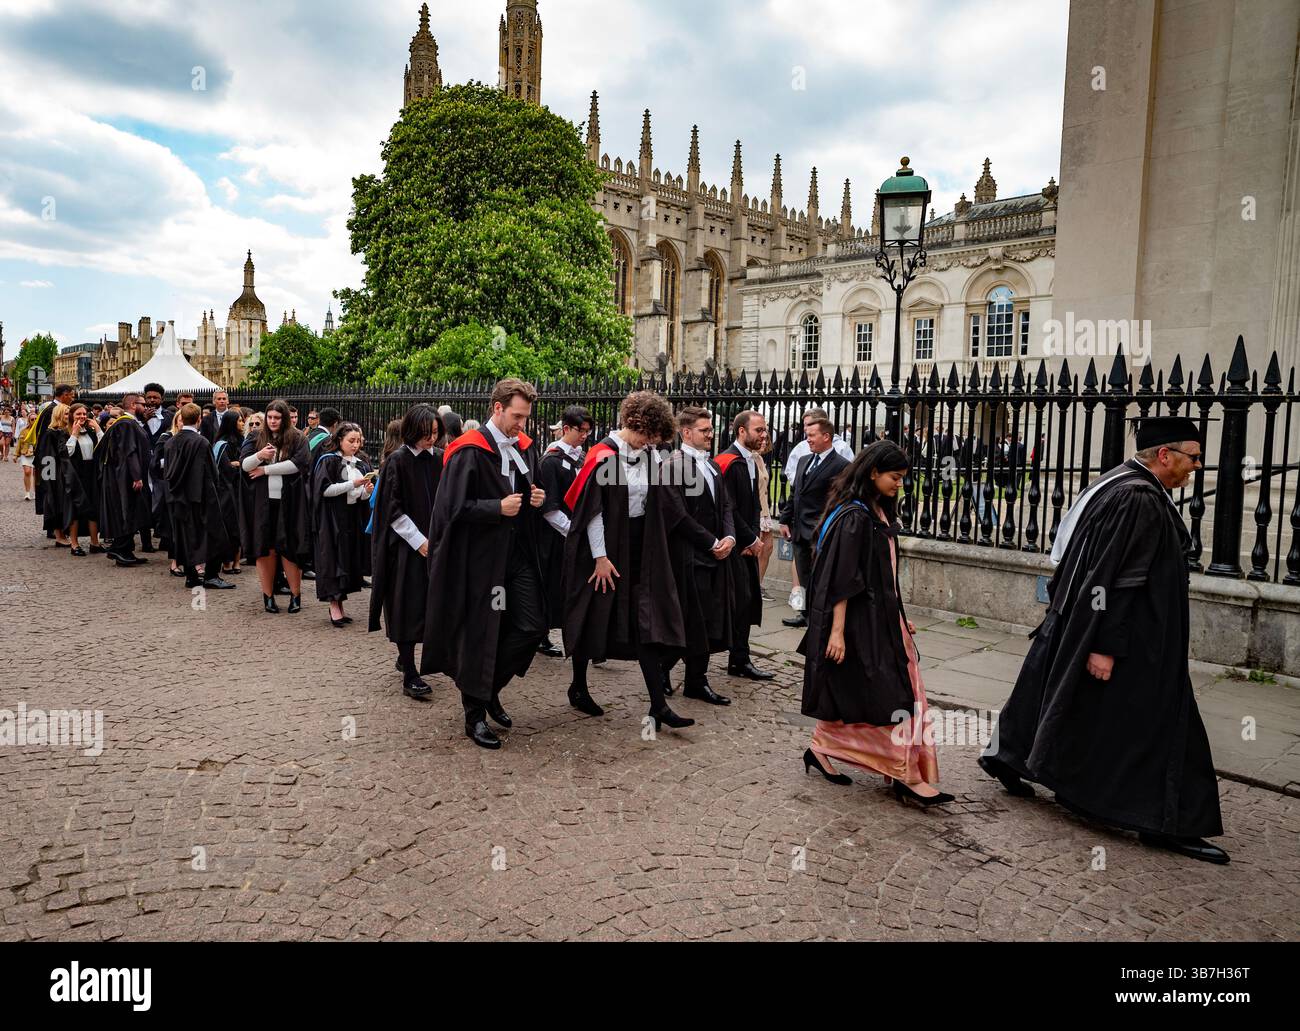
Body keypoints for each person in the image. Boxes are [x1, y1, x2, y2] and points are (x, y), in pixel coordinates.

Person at [980, 415, 1228, 864]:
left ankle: (1012, 757)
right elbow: (1119, 580)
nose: (1196, 468)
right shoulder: (1138, 499)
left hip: (1095, 625)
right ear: (1165, 455)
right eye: (1192, 458)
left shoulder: (1122, 483)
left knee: (1066, 696)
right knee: (1161, 726)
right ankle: (1166, 819)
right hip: (1133, 639)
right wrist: (1105, 645)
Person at [799, 440, 955, 807]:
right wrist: (836, 633)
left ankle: (822, 747)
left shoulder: (874, 510)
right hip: (858, 623)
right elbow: (843, 578)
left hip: (881, 618)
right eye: (895, 477)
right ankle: (905, 772)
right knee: (893, 692)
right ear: (873, 473)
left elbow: (883, 573)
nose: (899, 484)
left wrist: (899, 614)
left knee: (878, 691)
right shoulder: (854, 517)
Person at [422, 380, 547, 750]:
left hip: (517, 556)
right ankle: (474, 714)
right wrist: (495, 508)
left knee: (532, 624)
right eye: (516, 416)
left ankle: (489, 687)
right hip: (481, 564)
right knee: (483, 632)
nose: (521, 424)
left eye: (526, 417)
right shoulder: (468, 451)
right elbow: (450, 510)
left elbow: (524, 496)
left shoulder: (524, 447)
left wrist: (535, 498)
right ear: (497, 408)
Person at [561, 390, 696, 730]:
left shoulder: (648, 453)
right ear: (635, 425)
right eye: (647, 436)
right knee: (592, 614)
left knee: (645, 621)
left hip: (639, 545)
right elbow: (592, 512)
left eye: (654, 439)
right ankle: (578, 685)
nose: (650, 443)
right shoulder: (603, 454)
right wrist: (600, 557)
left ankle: (658, 705)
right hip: (603, 547)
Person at [660, 406, 735, 705]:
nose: (711, 434)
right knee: (690, 620)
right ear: (686, 432)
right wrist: (711, 542)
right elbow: (676, 515)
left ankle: (695, 680)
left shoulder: (714, 466)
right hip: (689, 556)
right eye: (705, 430)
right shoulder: (671, 466)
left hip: (716, 553)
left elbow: (726, 506)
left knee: (708, 618)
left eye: (711, 429)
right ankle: (663, 668)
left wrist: (729, 536)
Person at [370, 406, 443, 695]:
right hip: (406, 546)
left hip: (435, 543)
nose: (431, 440)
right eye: (426, 434)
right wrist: (419, 541)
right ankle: (410, 672)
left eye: (436, 434)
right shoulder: (396, 462)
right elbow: (392, 508)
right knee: (407, 606)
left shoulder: (440, 459)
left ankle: (407, 659)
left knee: (429, 604)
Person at [716, 410, 774, 681]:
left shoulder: (752, 460)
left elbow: (752, 504)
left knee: (746, 602)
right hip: (732, 544)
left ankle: (740, 658)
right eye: (759, 430)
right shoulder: (728, 462)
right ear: (741, 431)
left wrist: (754, 537)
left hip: (747, 542)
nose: (764, 434)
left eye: (764, 430)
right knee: (726, 604)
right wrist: (749, 539)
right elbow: (728, 507)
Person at [779, 414, 851, 629]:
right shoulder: (803, 460)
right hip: (799, 531)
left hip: (821, 533)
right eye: (807, 435)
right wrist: (784, 520)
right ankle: (806, 614)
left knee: (821, 579)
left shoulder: (841, 465)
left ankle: (821, 621)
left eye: (812, 436)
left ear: (826, 437)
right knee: (804, 578)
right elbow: (796, 494)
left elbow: (842, 501)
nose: (807, 439)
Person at [240, 398, 311, 613]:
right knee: (265, 549)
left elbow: (299, 464)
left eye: (277, 418)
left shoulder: (297, 437)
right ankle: (268, 596)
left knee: (289, 548)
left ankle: (295, 595)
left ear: (285, 419)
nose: (272, 421)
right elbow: (244, 465)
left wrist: (266, 469)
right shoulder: (255, 436)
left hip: (290, 501)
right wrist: (260, 456)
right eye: (270, 417)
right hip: (262, 502)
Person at [535, 405, 592, 657]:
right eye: (581, 430)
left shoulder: (582, 456)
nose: (585, 435)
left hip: (577, 532)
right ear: (566, 429)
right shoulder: (550, 460)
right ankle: (541, 634)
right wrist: (574, 532)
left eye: (588, 431)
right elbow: (550, 507)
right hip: (556, 536)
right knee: (551, 585)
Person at [165, 403, 235, 590]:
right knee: (212, 535)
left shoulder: (171, 442)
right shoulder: (201, 442)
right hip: (202, 497)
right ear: (199, 419)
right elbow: (212, 471)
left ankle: (191, 575)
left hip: (178, 498)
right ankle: (211, 575)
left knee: (185, 536)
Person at [313, 422, 374, 627]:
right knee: (333, 558)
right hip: (332, 518)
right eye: (351, 441)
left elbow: (361, 498)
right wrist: (352, 484)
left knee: (347, 560)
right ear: (340, 440)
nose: (355, 445)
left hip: (352, 518)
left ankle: (340, 603)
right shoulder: (328, 461)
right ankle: (333, 604)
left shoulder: (362, 463)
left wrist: (367, 490)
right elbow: (324, 490)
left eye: (358, 441)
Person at [97, 394, 153, 567]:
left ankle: (126, 550)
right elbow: (130, 452)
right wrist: (137, 476)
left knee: (132, 512)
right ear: (134, 405)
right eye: (143, 404)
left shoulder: (127, 423)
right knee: (127, 511)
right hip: (127, 478)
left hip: (126, 476)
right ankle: (119, 549)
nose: (146, 407)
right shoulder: (126, 424)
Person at [63, 403, 102, 555]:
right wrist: (74, 433)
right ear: (72, 415)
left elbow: (104, 445)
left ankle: (95, 543)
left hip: (91, 472)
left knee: (93, 507)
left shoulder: (91, 432)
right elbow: (67, 452)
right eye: (78, 414)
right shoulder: (65, 433)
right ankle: (74, 544)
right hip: (75, 474)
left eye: (84, 414)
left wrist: (98, 428)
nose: (82, 417)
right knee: (76, 509)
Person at [211, 408, 246, 577]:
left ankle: (237, 560)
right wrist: (239, 464)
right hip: (225, 491)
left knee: (239, 526)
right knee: (228, 527)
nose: (242, 423)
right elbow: (225, 468)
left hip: (240, 489)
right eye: (239, 421)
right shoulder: (221, 444)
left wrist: (238, 463)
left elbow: (243, 464)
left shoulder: (243, 441)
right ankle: (226, 562)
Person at [35, 401, 73, 548]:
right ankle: (59, 535)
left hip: (65, 473)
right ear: (58, 414)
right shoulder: (51, 433)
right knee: (55, 503)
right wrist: (48, 480)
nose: (68, 416)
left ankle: (63, 533)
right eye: (65, 413)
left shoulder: (66, 431)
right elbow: (47, 457)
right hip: (55, 475)